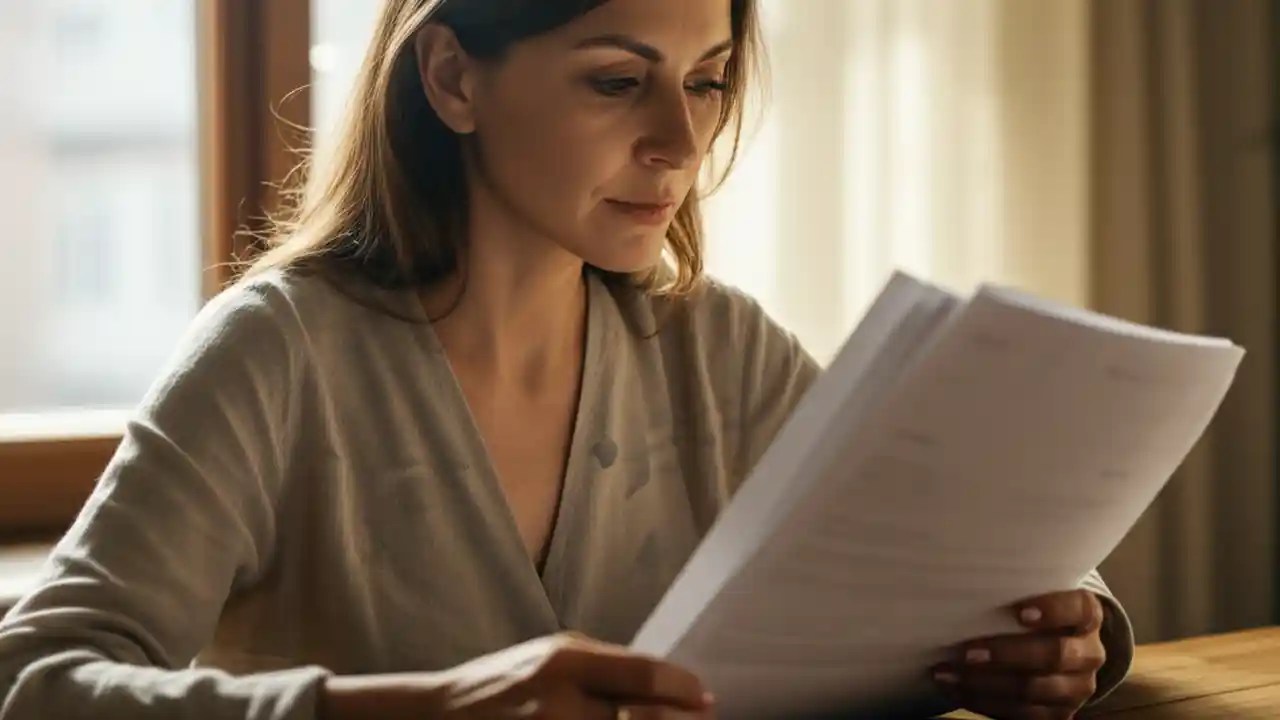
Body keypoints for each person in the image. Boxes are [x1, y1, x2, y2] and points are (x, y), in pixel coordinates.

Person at [0, 1, 1134, 718]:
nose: (681, 144)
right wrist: (420, 708)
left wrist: (1062, 636)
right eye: (613, 79)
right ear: (450, 78)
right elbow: (35, 683)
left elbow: (968, 553)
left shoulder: (717, 348)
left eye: (705, 79)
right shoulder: (276, 354)